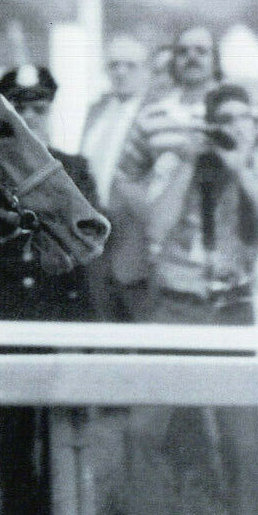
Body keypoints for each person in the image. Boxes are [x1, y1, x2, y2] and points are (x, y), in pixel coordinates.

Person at [112, 81, 258, 515]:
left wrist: (240, 167)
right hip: (176, 307)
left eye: (240, 120)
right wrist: (185, 161)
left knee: (241, 433)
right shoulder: (179, 163)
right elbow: (156, 225)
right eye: (221, 122)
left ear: (253, 125)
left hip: (231, 307)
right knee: (144, 429)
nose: (229, 130)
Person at [0, 65, 98, 515]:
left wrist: (83, 330)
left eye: (41, 108)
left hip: (58, 316)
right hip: (6, 319)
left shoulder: (73, 169)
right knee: (12, 435)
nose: (32, 118)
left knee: (63, 435)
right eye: (21, 107)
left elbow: (88, 252)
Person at [103, 25, 224, 321]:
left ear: (215, 59)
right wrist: (154, 219)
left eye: (201, 51)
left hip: (223, 249)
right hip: (166, 257)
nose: (191, 58)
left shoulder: (236, 110)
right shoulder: (154, 115)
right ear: (173, 60)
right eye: (183, 52)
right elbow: (123, 178)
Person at [78, 35, 152, 321]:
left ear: (146, 71)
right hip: (95, 242)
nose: (120, 72)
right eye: (113, 65)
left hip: (135, 243)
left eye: (130, 66)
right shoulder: (95, 111)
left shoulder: (155, 113)